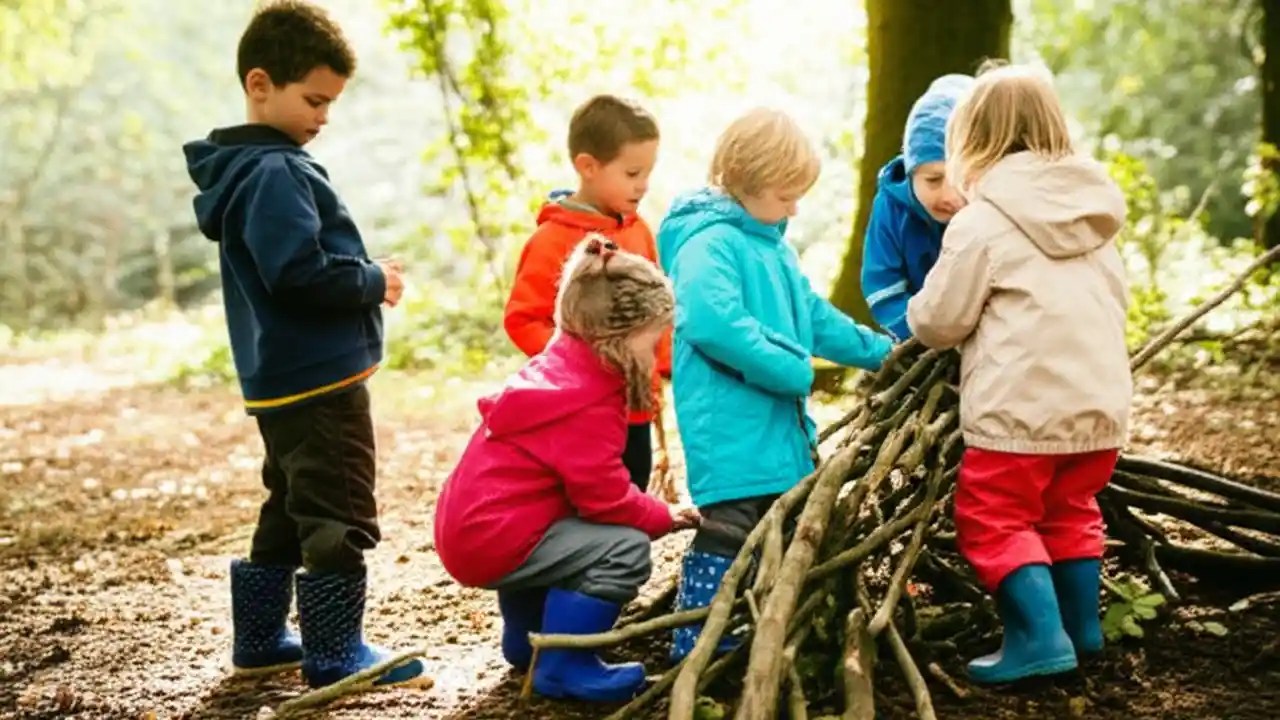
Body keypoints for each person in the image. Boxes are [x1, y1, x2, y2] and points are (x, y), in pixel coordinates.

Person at [182, 0, 424, 689]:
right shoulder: (276, 172)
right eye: (314, 100)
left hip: (278, 377)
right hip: (320, 379)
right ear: (260, 84)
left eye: (331, 103)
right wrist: (372, 279)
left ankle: (260, 638)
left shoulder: (242, 170)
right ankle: (335, 652)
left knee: (289, 503)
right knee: (339, 508)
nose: (323, 117)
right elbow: (297, 271)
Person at [907, 62, 1131, 684]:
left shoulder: (982, 222)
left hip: (1020, 411)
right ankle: (1082, 629)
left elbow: (942, 319)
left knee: (994, 515)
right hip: (1100, 407)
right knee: (1070, 508)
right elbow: (1118, 301)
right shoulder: (1096, 218)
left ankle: (1038, 638)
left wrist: (914, 313)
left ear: (971, 141)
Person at [657, 108, 893, 662]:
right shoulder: (708, 242)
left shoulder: (770, 244)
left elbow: (812, 314)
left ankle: (758, 624)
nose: (794, 207)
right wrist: (790, 367)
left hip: (775, 426)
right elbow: (711, 321)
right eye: (786, 195)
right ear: (748, 180)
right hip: (729, 423)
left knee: (775, 517)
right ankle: (697, 634)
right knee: (731, 522)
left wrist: (881, 351)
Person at [436, 236, 700, 702]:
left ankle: (528, 640)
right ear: (617, 339)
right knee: (624, 547)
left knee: (564, 536)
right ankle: (564, 662)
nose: (658, 348)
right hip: (495, 537)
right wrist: (662, 515)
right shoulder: (588, 400)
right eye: (653, 336)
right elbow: (606, 497)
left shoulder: (563, 366)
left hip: (474, 529)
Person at [503, 94, 672, 494]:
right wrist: (583, 363)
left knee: (634, 487)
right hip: (581, 409)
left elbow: (657, 308)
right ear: (588, 167)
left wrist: (660, 366)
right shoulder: (551, 240)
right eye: (632, 173)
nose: (643, 185)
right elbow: (523, 319)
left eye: (648, 172)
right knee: (590, 495)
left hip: (636, 408)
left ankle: (628, 556)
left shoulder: (638, 231)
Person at [861, 74, 974, 340]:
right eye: (933, 180)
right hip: (914, 337)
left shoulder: (988, 208)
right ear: (911, 172)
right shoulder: (891, 207)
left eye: (961, 180)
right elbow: (882, 285)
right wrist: (918, 339)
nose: (950, 196)